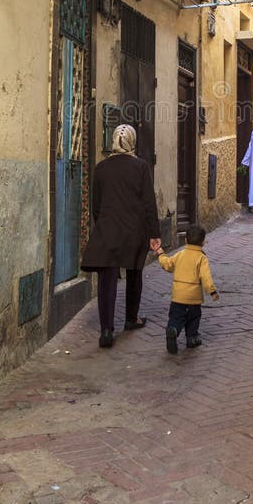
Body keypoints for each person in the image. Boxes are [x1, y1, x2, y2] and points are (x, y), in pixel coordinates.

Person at [81, 124, 161, 348]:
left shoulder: (101, 168)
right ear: (132, 142)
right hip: (134, 230)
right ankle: (131, 318)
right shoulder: (141, 167)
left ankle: (106, 330)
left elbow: (96, 204)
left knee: (106, 280)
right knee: (134, 273)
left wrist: (103, 224)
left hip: (108, 229)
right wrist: (154, 233)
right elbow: (148, 203)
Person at [152, 224, 219, 355]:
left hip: (178, 296)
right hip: (193, 298)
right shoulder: (201, 258)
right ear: (203, 242)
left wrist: (160, 254)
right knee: (193, 318)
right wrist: (212, 291)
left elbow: (168, 265)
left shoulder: (180, 254)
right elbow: (206, 277)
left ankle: (173, 329)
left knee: (176, 317)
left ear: (186, 240)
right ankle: (191, 338)